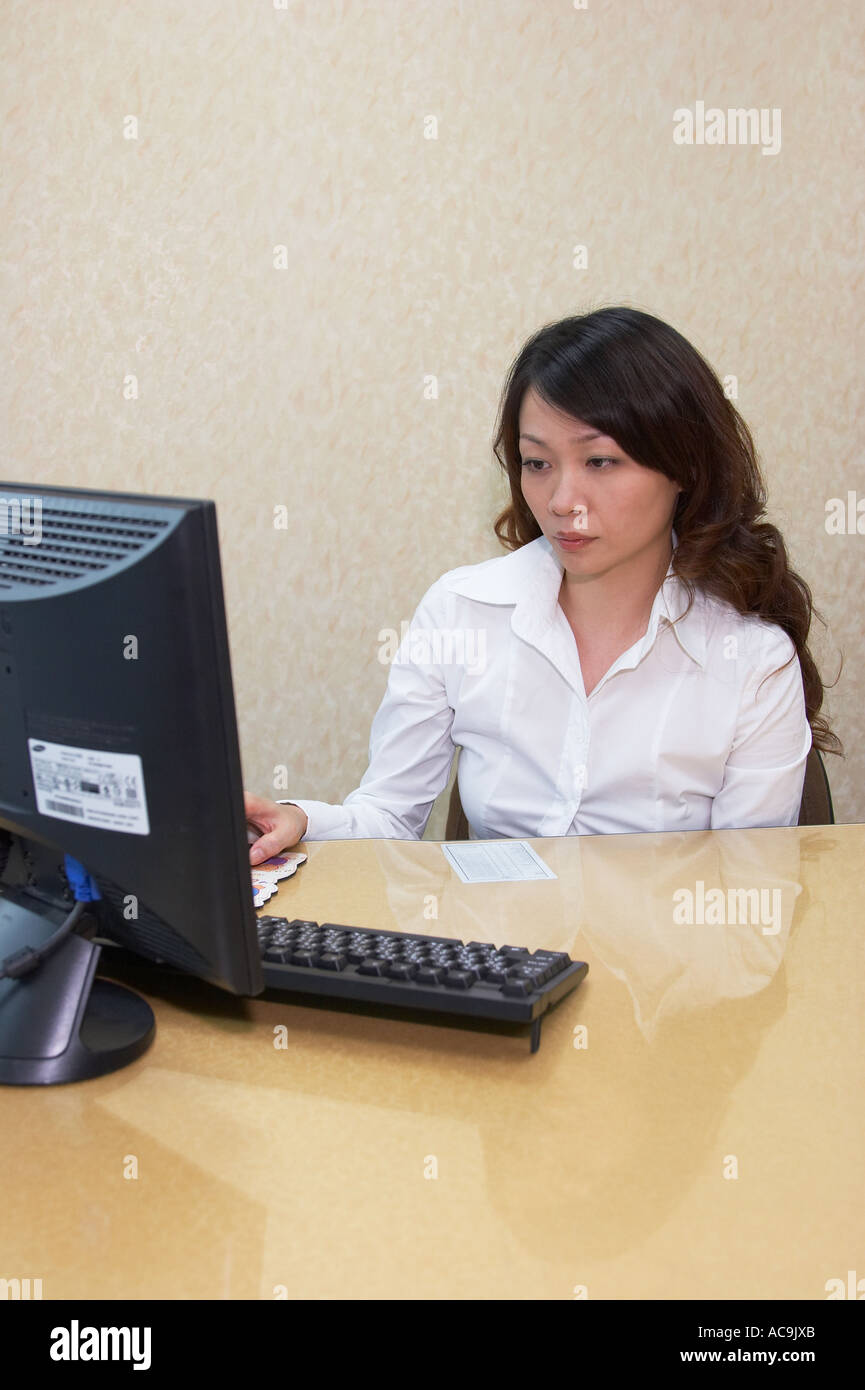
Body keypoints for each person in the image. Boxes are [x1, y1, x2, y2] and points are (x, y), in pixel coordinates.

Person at [245, 306, 840, 862]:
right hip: (498, 962)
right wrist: (301, 820)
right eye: (538, 463)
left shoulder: (753, 660)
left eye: (599, 462)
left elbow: (745, 899)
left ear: (684, 466)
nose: (562, 502)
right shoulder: (461, 612)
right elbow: (390, 817)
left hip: (667, 970)